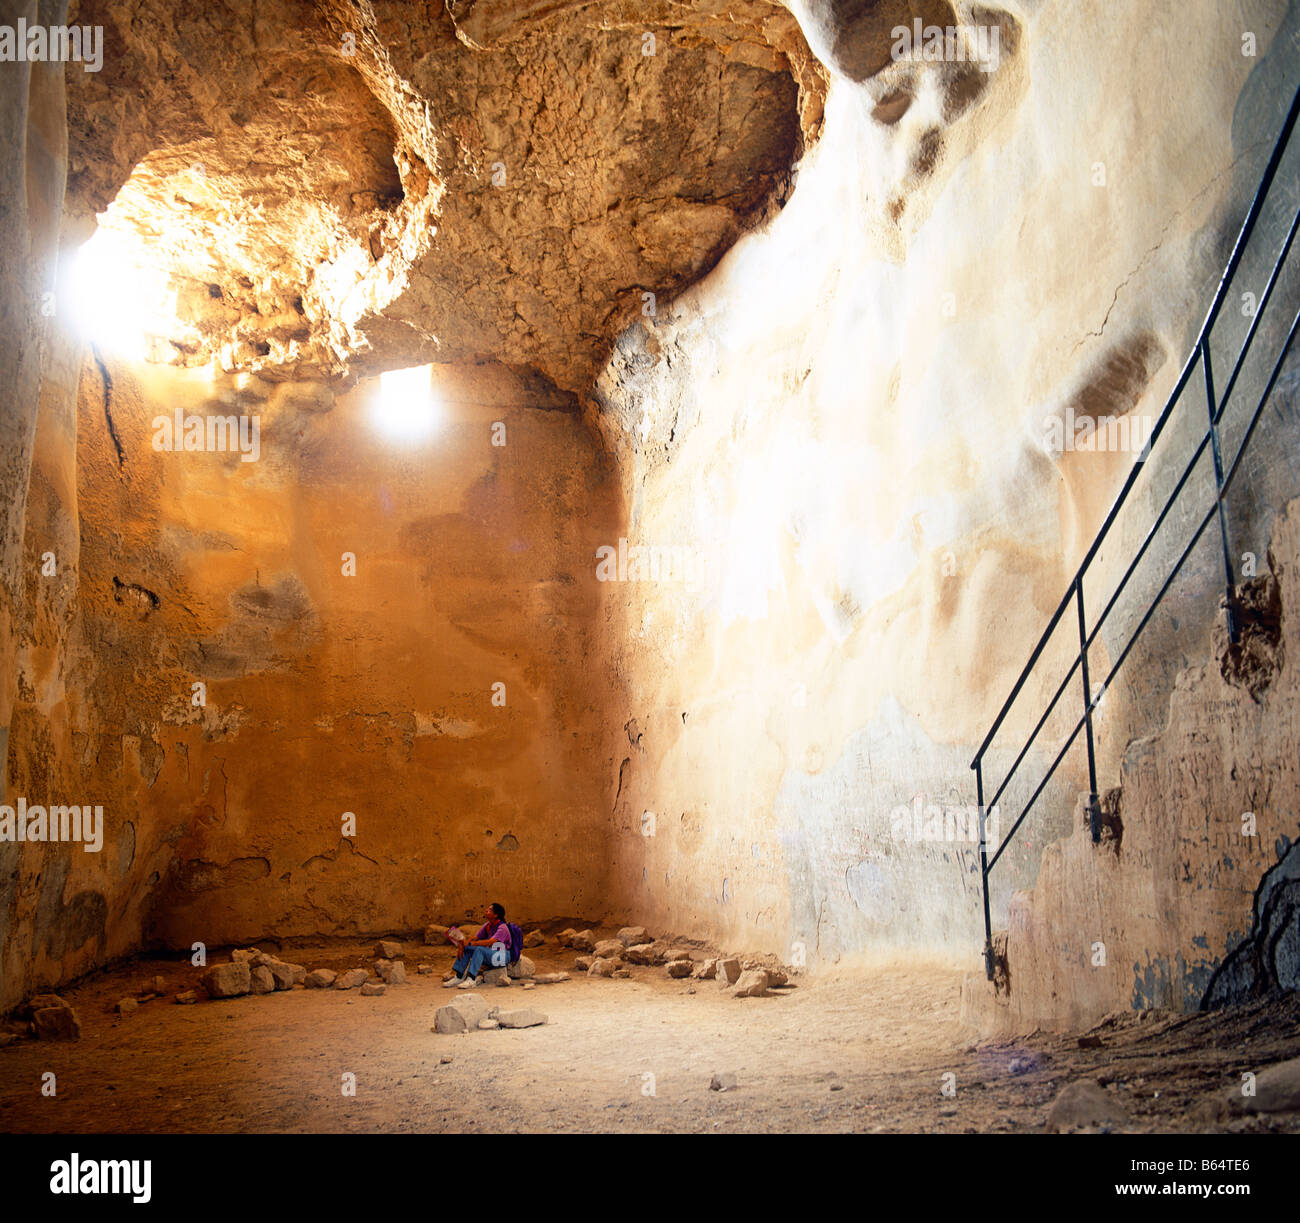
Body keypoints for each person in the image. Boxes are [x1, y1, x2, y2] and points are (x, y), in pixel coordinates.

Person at [443, 902, 511, 988]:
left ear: (495, 915)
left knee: (479, 949)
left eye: (490, 910)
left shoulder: (502, 928)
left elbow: (490, 942)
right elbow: (475, 938)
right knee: (468, 948)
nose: (486, 910)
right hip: (491, 953)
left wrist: (471, 943)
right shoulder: (488, 925)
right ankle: (459, 977)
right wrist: (463, 945)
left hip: (502, 956)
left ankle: (471, 979)